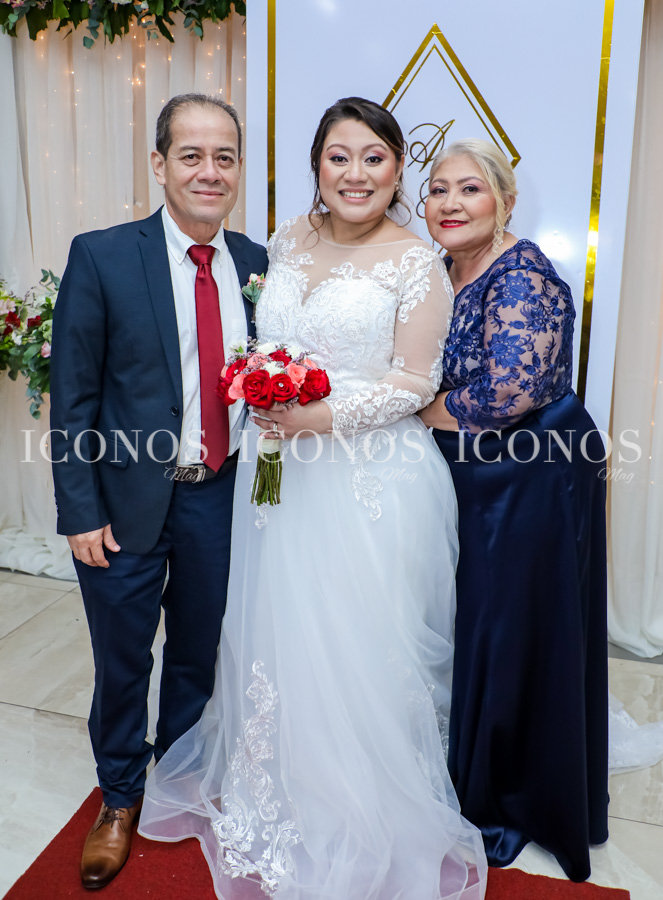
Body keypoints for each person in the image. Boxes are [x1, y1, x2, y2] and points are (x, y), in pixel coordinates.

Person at [139, 97, 487, 899]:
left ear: (396, 170)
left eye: (373, 158)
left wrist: (317, 417)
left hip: (368, 484)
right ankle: (281, 778)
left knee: (357, 643)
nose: (354, 174)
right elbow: (265, 341)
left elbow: (415, 381)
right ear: (316, 166)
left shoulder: (416, 262)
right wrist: (261, 385)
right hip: (278, 477)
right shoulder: (286, 239)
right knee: (277, 629)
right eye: (338, 156)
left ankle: (356, 805)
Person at [50, 93, 268, 890]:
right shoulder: (103, 255)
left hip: (220, 494)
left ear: (238, 170)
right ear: (159, 164)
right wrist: (79, 510)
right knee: (121, 660)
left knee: (198, 652)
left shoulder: (257, 263)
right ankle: (119, 795)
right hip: (122, 501)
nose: (210, 172)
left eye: (224, 157)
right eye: (191, 155)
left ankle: (178, 776)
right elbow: (72, 396)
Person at [420, 138, 609, 882]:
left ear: (504, 200)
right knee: (488, 624)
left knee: (514, 630)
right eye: (438, 189)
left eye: (470, 189)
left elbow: (506, 392)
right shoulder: (444, 268)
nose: (451, 203)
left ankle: (511, 796)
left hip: (531, 472)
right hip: (483, 472)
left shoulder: (522, 275)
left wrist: (408, 409)